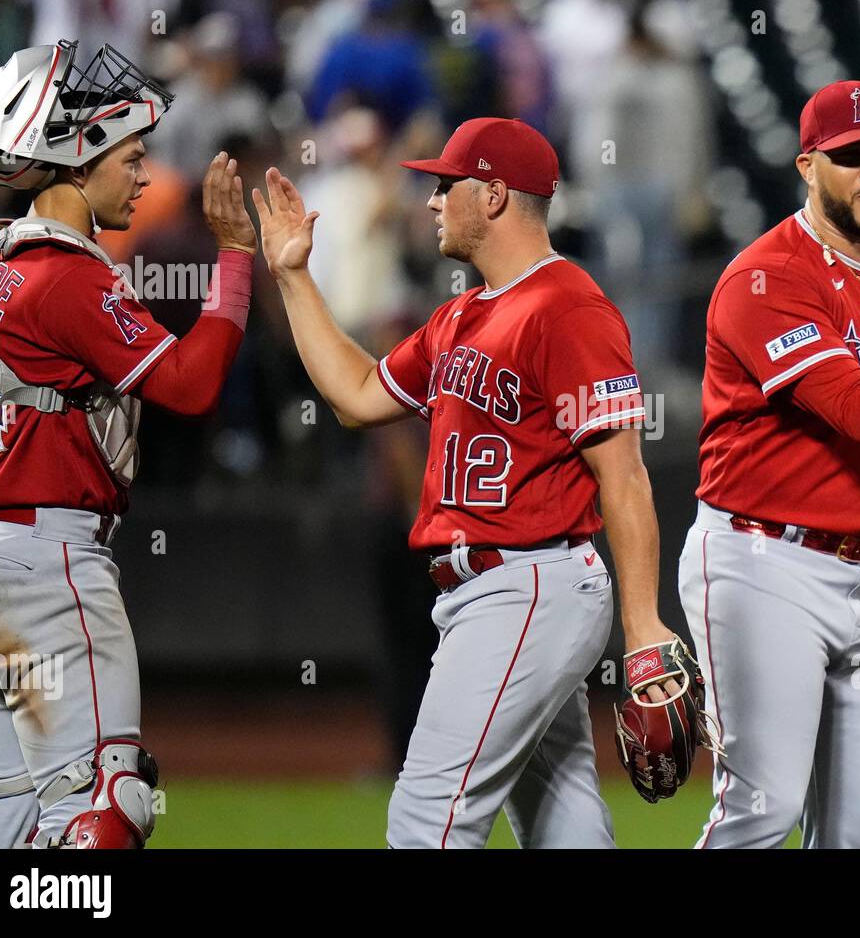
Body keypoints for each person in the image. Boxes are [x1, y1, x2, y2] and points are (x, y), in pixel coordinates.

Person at [254, 116, 678, 848]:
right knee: (563, 822)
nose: (429, 200)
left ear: (493, 195)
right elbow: (358, 394)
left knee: (427, 819)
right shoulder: (462, 315)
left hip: (528, 585)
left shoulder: (567, 305)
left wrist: (642, 630)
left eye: (445, 184)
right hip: (492, 591)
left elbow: (625, 476)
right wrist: (293, 276)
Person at [0, 40, 258, 848]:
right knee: (103, 809)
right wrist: (236, 256)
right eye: (129, 155)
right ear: (76, 157)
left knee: (12, 816)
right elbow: (192, 386)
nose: (144, 175)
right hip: (50, 563)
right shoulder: (64, 274)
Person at [677, 80, 860, 849]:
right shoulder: (766, 276)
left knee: (858, 829)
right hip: (761, 562)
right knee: (763, 810)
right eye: (852, 157)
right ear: (808, 165)